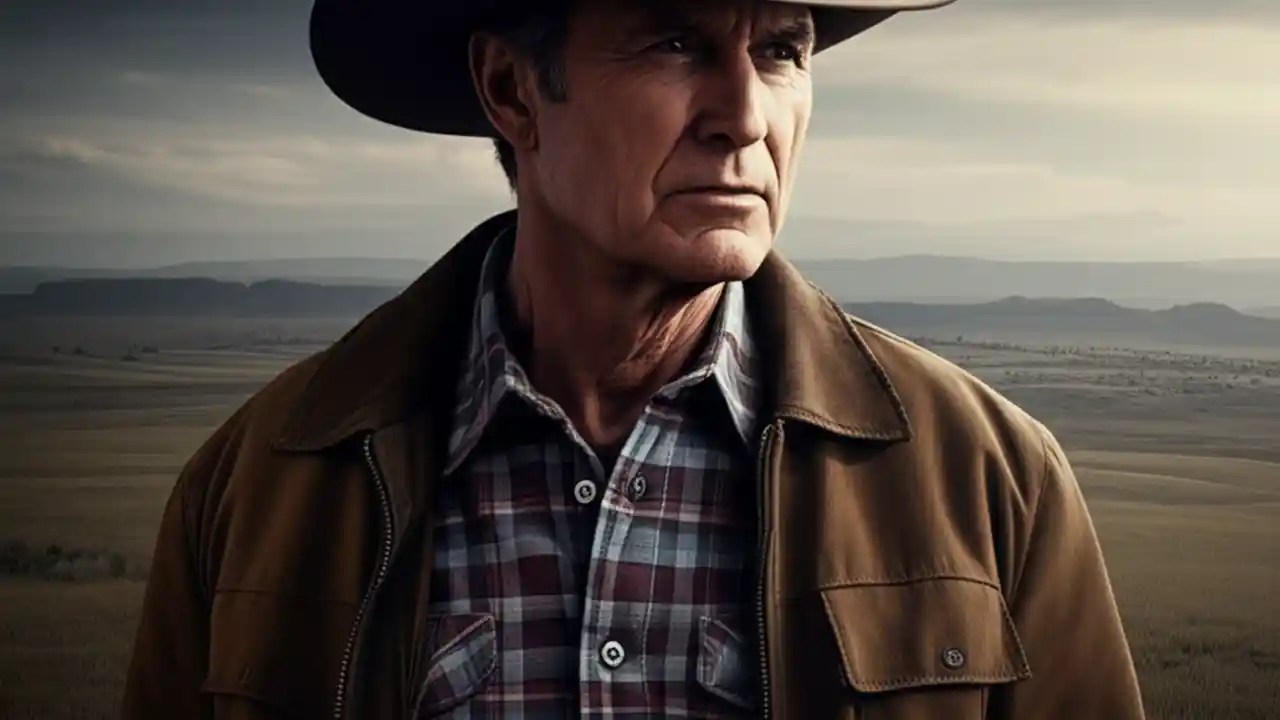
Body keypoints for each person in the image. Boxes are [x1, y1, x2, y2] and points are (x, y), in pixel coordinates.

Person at [122, 0, 1147, 717]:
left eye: (783, 51)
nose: (744, 116)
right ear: (511, 88)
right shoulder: (262, 483)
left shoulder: (985, 477)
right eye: (672, 41)